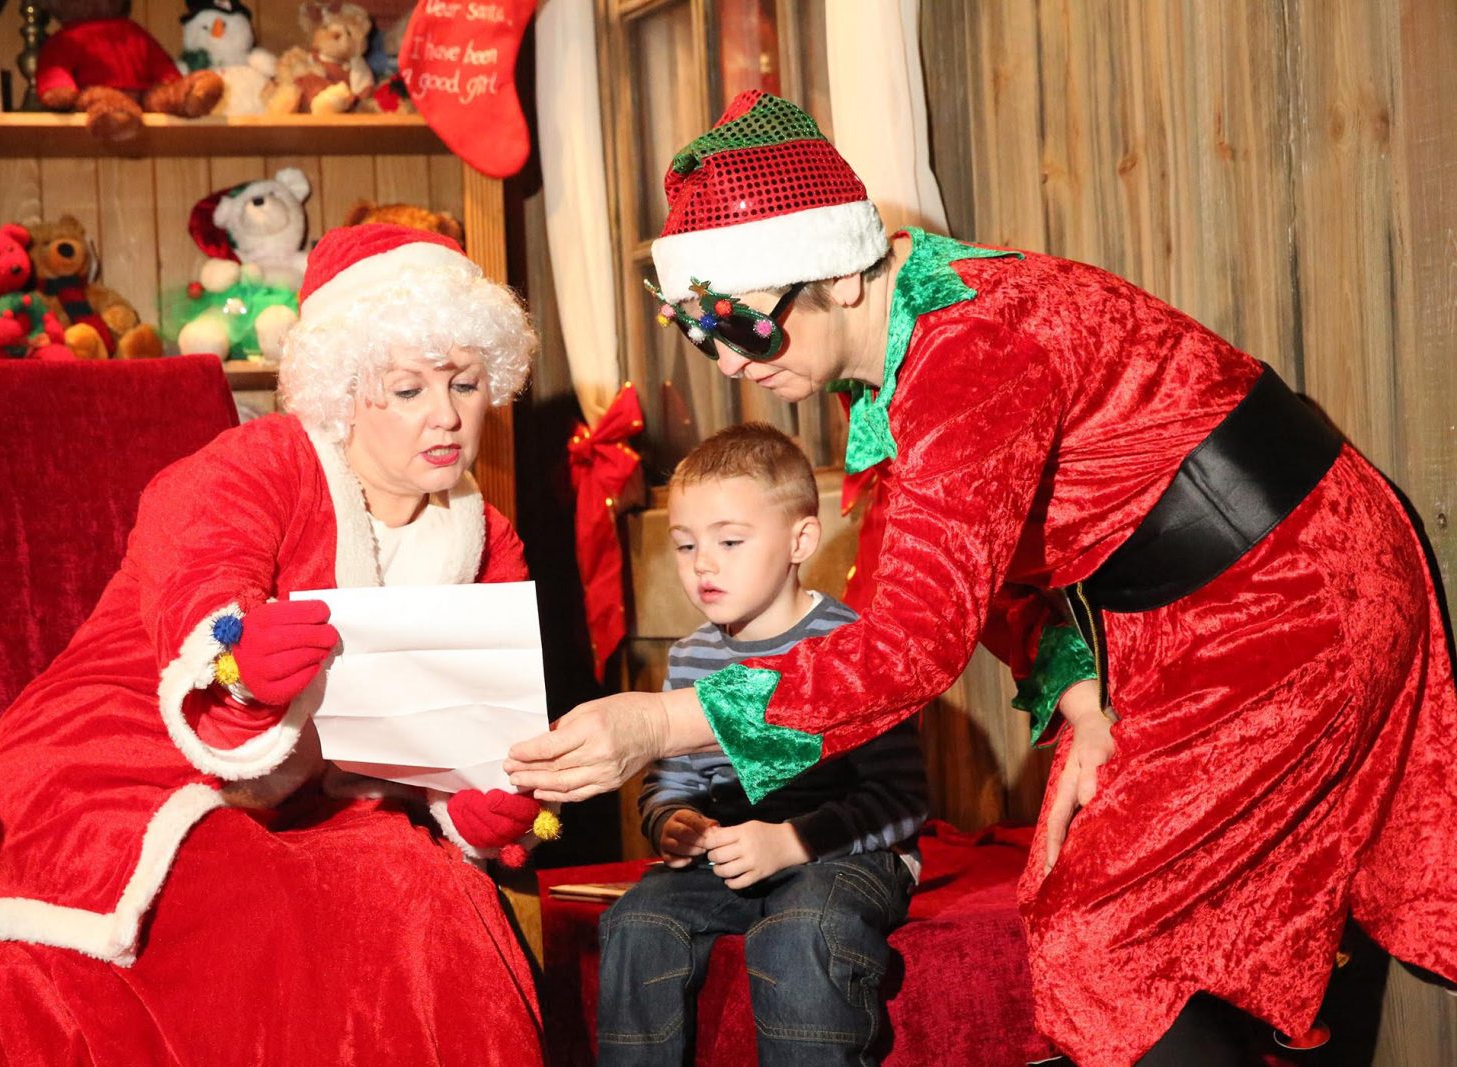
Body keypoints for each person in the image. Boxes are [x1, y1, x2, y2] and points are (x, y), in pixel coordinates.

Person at [507, 91, 1457, 1066]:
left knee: (1108, 945)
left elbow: (912, 642)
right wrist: (1079, 696)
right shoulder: (901, 351)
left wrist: (661, 722)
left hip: (1288, 591)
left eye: (743, 327)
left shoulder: (966, 349)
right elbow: (961, 570)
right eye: (697, 329)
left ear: (840, 274)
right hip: (1181, 609)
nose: (727, 364)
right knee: (1085, 904)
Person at [0, 224, 549, 1065]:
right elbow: (202, 582)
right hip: (110, 764)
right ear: (346, 388)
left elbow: (481, 727)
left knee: (423, 890)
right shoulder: (259, 461)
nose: (446, 415)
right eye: (409, 388)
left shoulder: (486, 538)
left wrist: (478, 803)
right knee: (249, 896)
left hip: (299, 805)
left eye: (466, 382)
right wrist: (239, 671)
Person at [597, 423, 928, 1067]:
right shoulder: (690, 656)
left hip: (843, 853)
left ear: (800, 540)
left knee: (800, 930)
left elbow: (901, 799)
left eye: (729, 541)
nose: (703, 564)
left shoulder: (852, 645)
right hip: (731, 855)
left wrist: (790, 841)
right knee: (637, 920)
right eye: (686, 544)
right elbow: (672, 781)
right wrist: (674, 821)